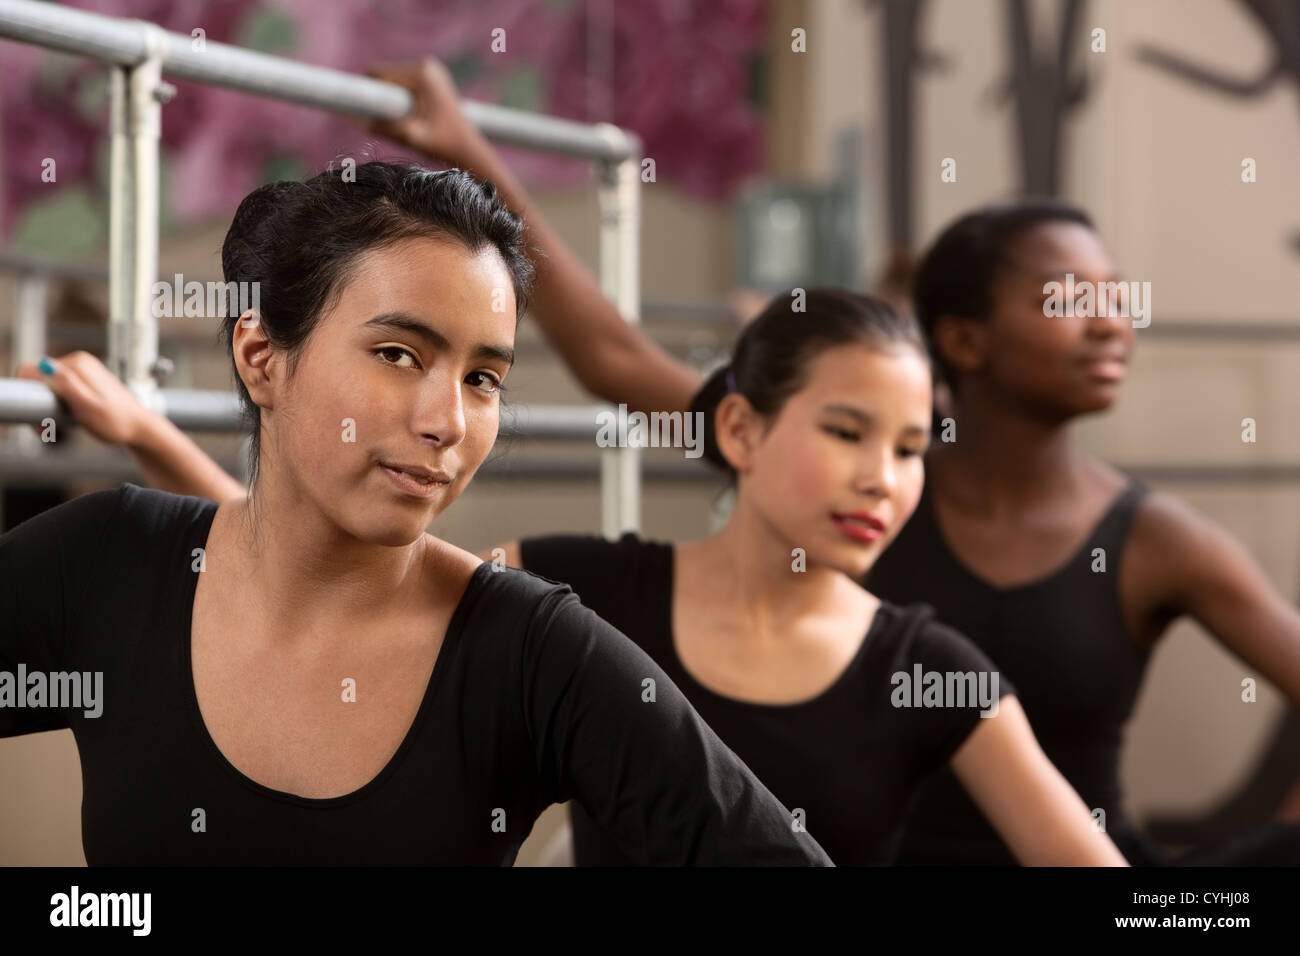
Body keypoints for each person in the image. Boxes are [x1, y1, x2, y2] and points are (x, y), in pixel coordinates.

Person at [0, 161, 834, 867]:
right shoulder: (109, 560)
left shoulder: (532, 651)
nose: (450, 422)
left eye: (483, 377)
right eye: (399, 355)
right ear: (262, 359)